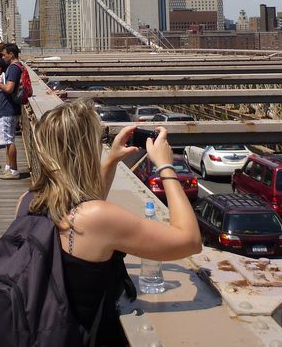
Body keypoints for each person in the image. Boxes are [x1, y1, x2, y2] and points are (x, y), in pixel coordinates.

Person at [22, 100, 201, 344]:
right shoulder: (96, 218)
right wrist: (166, 165)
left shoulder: (28, 201)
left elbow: (85, 204)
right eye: (99, 140)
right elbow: (189, 241)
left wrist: (113, 159)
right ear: (86, 149)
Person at [0, 43, 24, 180]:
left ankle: (13, 170)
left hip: (8, 108)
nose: (3, 56)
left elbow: (9, 88)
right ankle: (8, 167)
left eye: (5, 54)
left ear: (11, 54)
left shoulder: (13, 68)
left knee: (9, 140)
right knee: (8, 140)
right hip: (10, 107)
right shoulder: (17, 67)